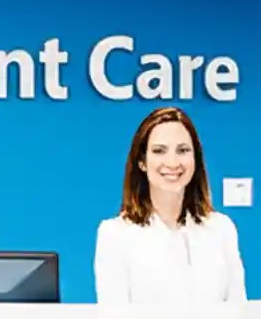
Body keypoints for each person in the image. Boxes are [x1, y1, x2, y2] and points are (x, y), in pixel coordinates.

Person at [93, 106, 247, 305]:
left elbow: (239, 313)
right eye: (159, 151)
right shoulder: (115, 234)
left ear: (195, 159)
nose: (172, 162)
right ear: (142, 162)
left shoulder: (222, 228)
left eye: (182, 150)